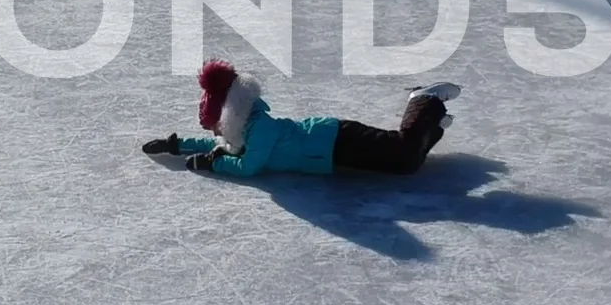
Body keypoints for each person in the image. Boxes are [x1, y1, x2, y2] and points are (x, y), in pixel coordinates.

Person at [142, 59, 459, 178]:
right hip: (329, 154)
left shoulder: (259, 128)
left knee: (404, 156)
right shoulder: (237, 130)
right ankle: (431, 124)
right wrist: (176, 145)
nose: (216, 132)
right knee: (404, 163)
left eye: (216, 124)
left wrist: (213, 163)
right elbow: (217, 143)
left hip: (333, 138)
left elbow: (249, 166)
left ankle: (424, 100)